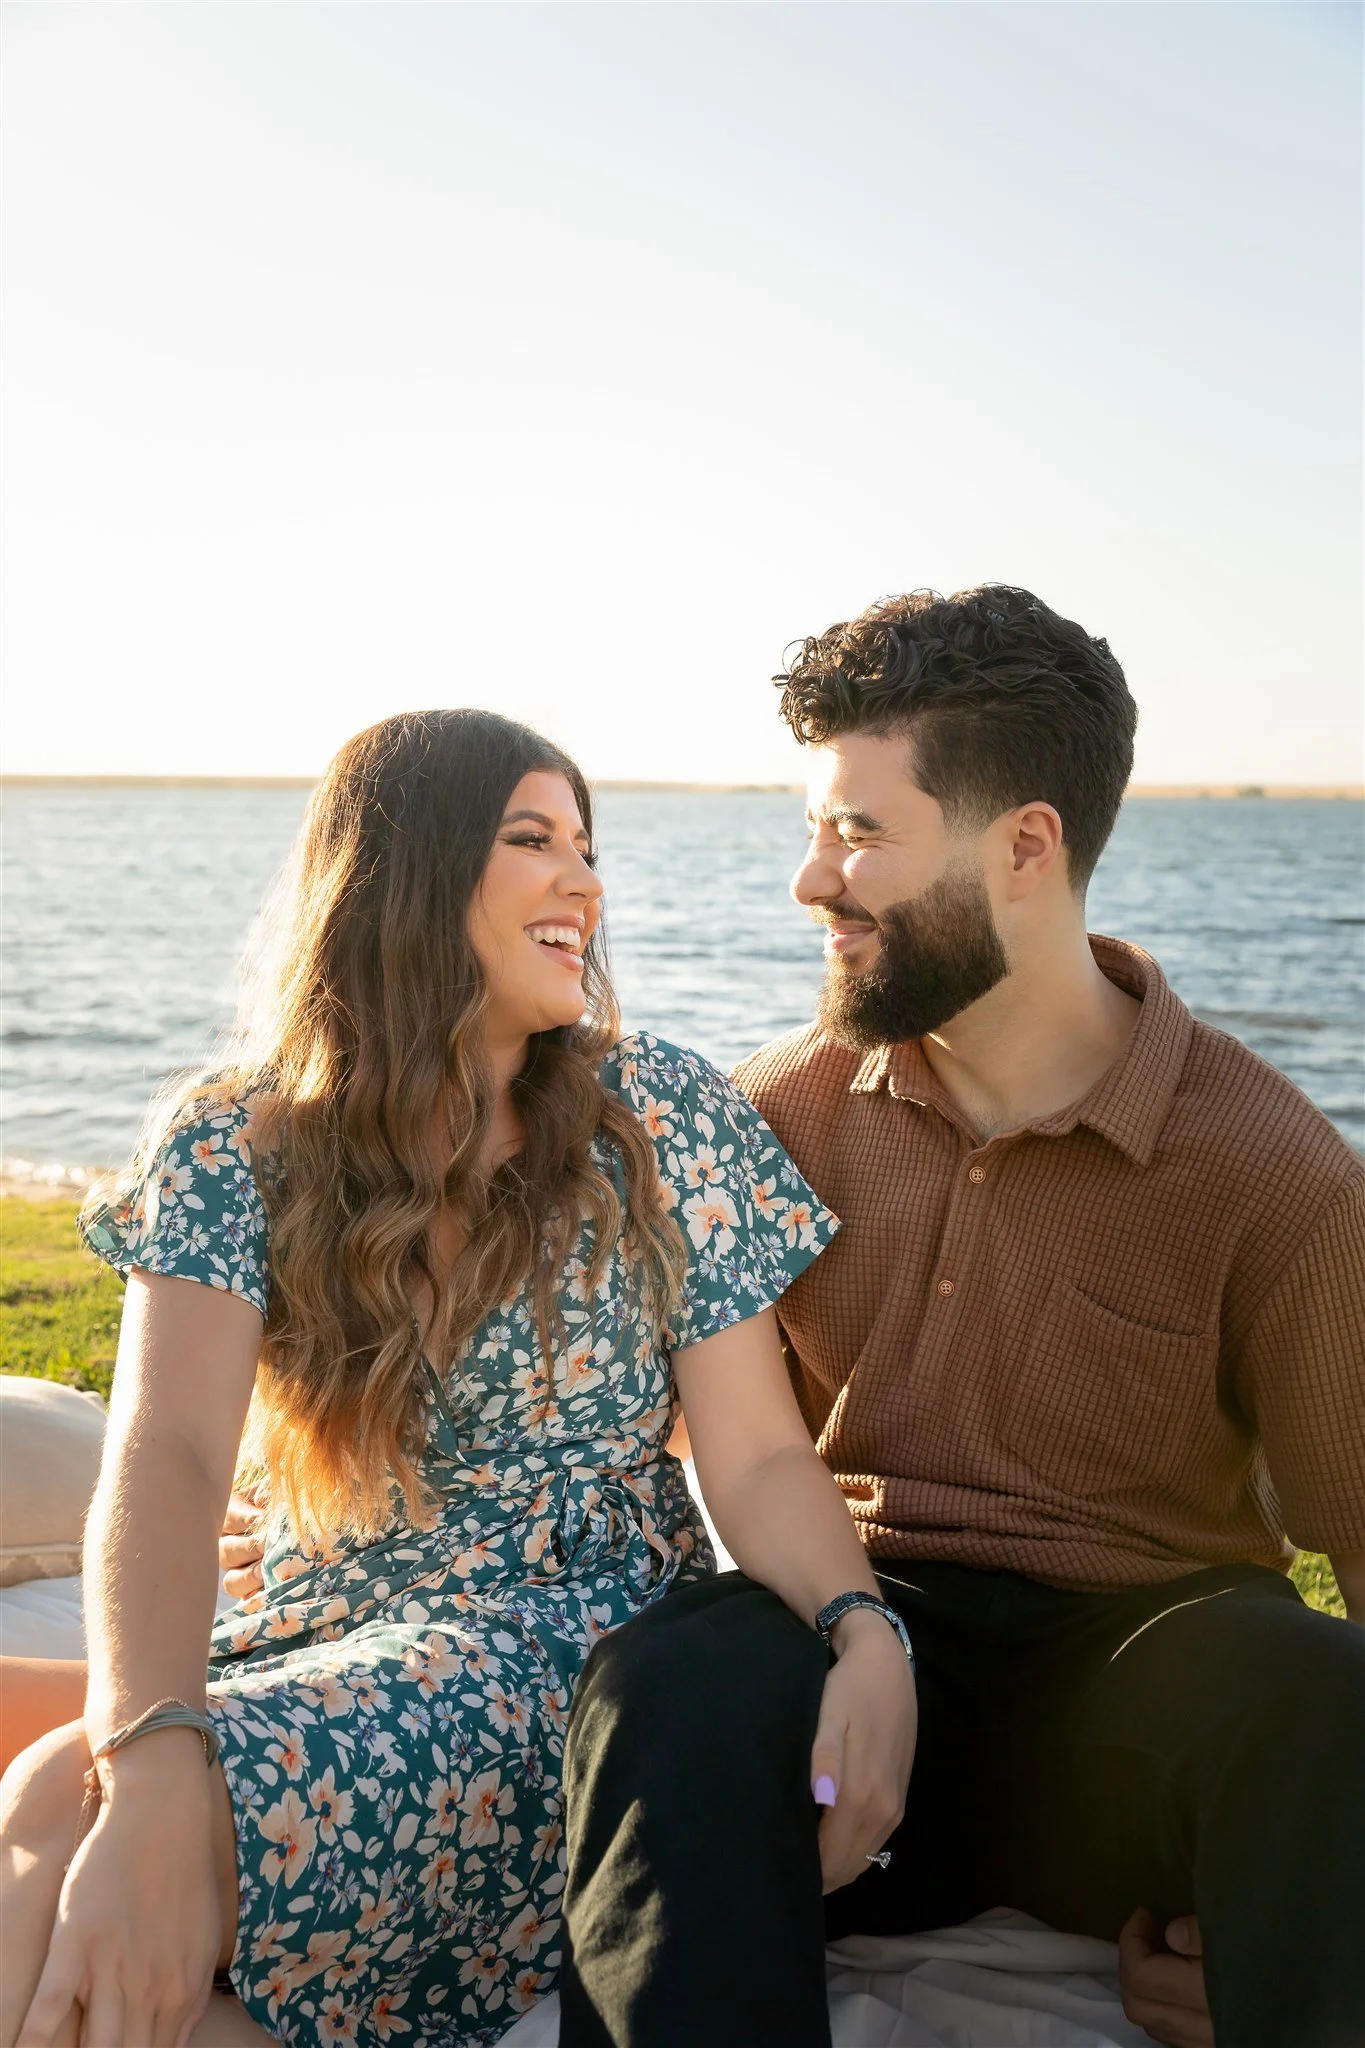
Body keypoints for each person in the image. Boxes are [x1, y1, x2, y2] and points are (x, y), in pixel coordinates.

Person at [0, 710, 918, 2048]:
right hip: (316, 1626)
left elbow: (762, 1455)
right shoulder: (230, 1142)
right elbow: (168, 1457)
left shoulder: (659, 1118)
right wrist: (152, 1741)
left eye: (588, 849)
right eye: (534, 839)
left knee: (53, 1800)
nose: (584, 883)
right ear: (409, 869)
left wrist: (862, 1625)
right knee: (72, 1828)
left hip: (567, 1649)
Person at [556, 588, 1365, 2048]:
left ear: (1026, 847)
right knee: (668, 1680)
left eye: (859, 833)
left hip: (1135, 1703)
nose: (812, 881)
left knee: (1314, 1692)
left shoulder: (1276, 1169)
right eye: (815, 829)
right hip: (859, 1685)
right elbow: (639, 1425)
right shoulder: (776, 1116)